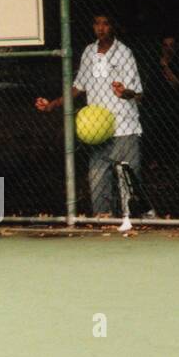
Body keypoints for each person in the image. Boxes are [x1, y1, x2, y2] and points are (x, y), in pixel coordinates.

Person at [34, 13, 145, 217]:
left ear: (113, 26)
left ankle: (134, 221)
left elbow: (137, 93)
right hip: (97, 130)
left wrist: (124, 92)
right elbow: (78, 87)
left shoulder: (124, 53)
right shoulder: (89, 52)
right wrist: (52, 105)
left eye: (106, 23)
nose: (101, 28)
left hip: (124, 126)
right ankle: (104, 220)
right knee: (97, 183)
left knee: (130, 183)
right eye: (96, 23)